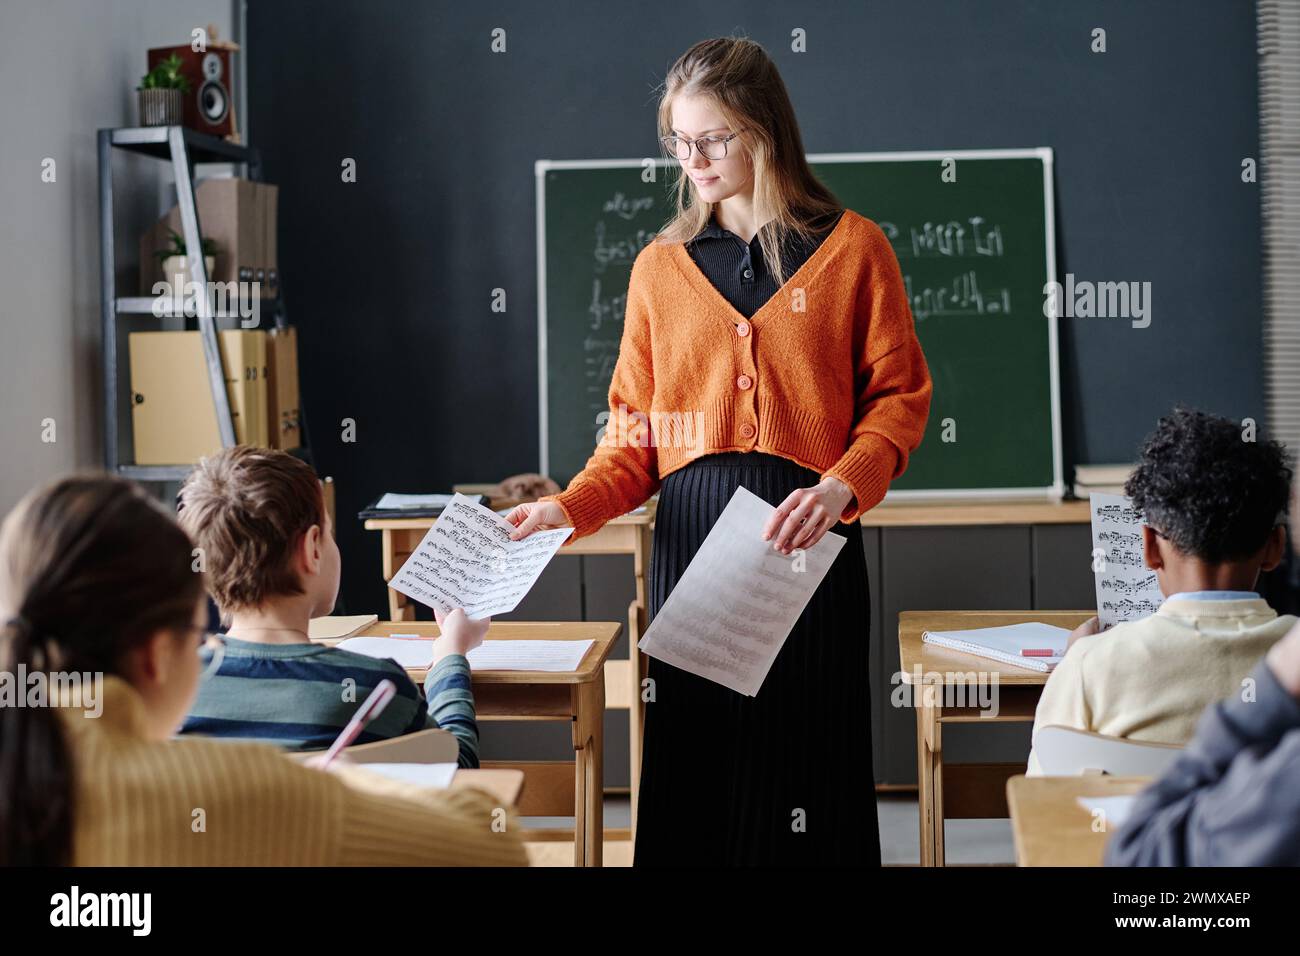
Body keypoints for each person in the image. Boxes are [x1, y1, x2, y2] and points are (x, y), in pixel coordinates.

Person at [508, 37, 932, 865]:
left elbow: (899, 402)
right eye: (678, 140)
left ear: (765, 132)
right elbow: (633, 435)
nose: (691, 159)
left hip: (809, 537)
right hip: (692, 542)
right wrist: (566, 508)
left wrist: (842, 488)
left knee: (806, 761)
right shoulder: (659, 270)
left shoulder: (855, 250)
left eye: (713, 139)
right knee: (698, 769)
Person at [0, 474, 525, 866]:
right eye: (193, 633)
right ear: (156, 656)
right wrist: (341, 783)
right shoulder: (249, 791)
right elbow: (495, 848)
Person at [1027, 407, 1294, 774]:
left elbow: (1043, 807)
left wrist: (1075, 664)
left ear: (1149, 547)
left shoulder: (1091, 666)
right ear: (1276, 547)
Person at [175, 446, 484, 762]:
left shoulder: (168, 688)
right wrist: (450, 657)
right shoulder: (377, 690)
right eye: (329, 532)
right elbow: (455, 767)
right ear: (312, 549)